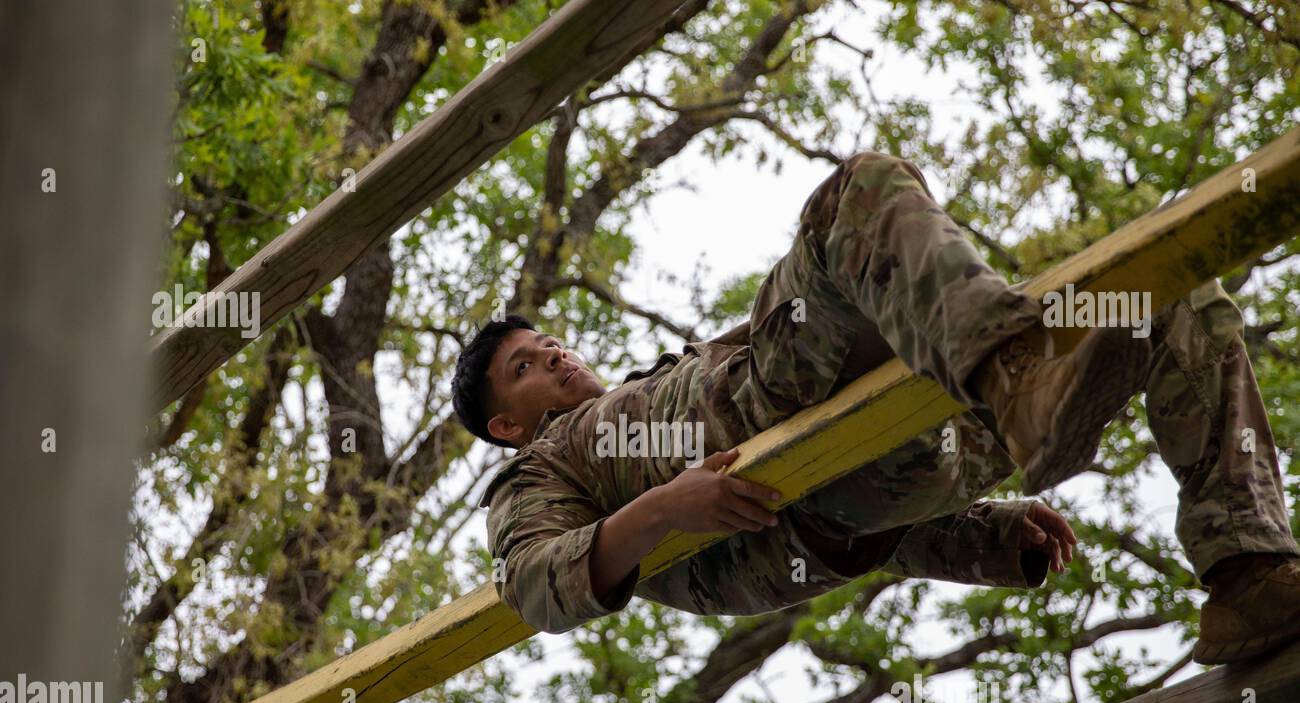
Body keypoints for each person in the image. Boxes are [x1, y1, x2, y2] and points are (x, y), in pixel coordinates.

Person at [453, 151, 1299, 664]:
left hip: (913, 433)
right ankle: (1015, 381)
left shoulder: (663, 372)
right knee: (856, 192)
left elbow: (872, 506)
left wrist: (985, 538)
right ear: (505, 424)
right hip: (771, 428)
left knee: (1161, 288)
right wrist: (667, 506)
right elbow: (536, 586)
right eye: (525, 365)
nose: (555, 353)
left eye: (550, 341)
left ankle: (1246, 569)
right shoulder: (544, 469)